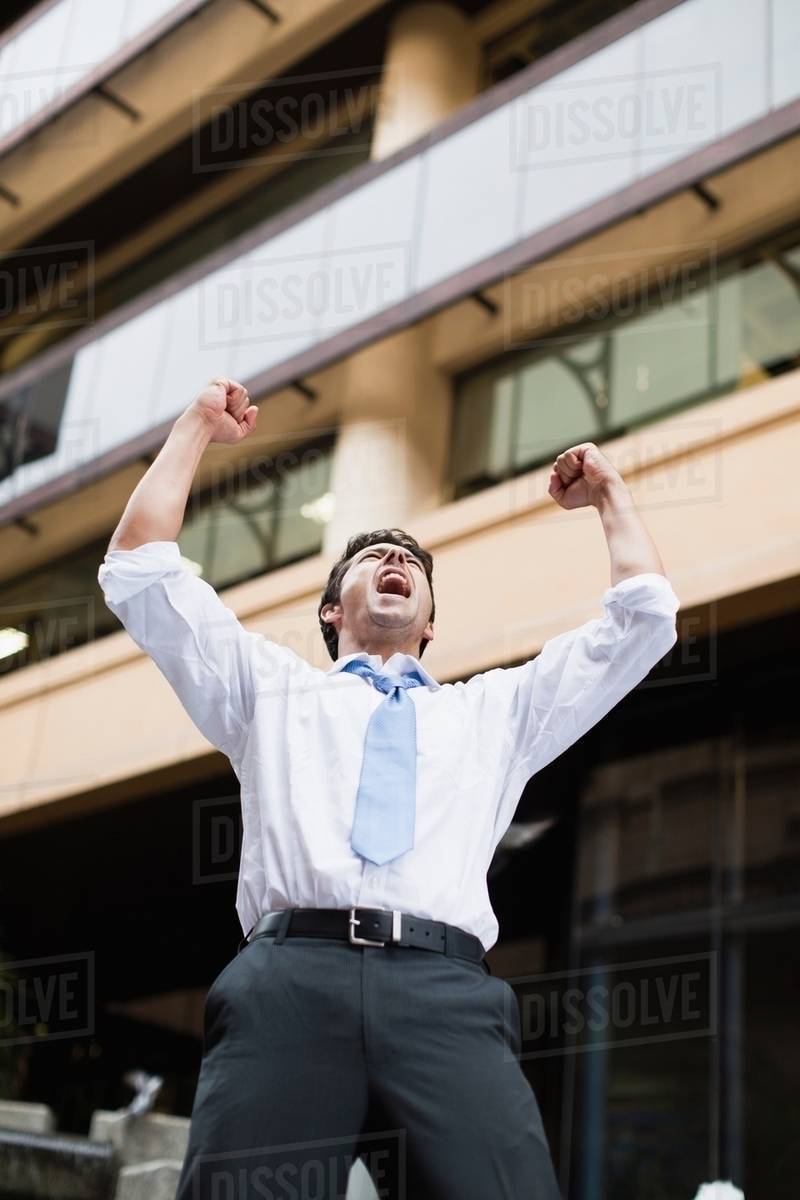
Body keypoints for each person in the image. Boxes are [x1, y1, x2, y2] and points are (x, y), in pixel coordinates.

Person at [97, 377, 680, 1200]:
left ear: (431, 621)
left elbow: (644, 622)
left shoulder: (496, 711)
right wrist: (195, 426)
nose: (396, 561)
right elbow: (138, 570)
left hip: (445, 996)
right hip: (290, 985)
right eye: (372, 558)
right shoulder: (268, 690)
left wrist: (612, 494)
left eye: (411, 562)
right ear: (332, 612)